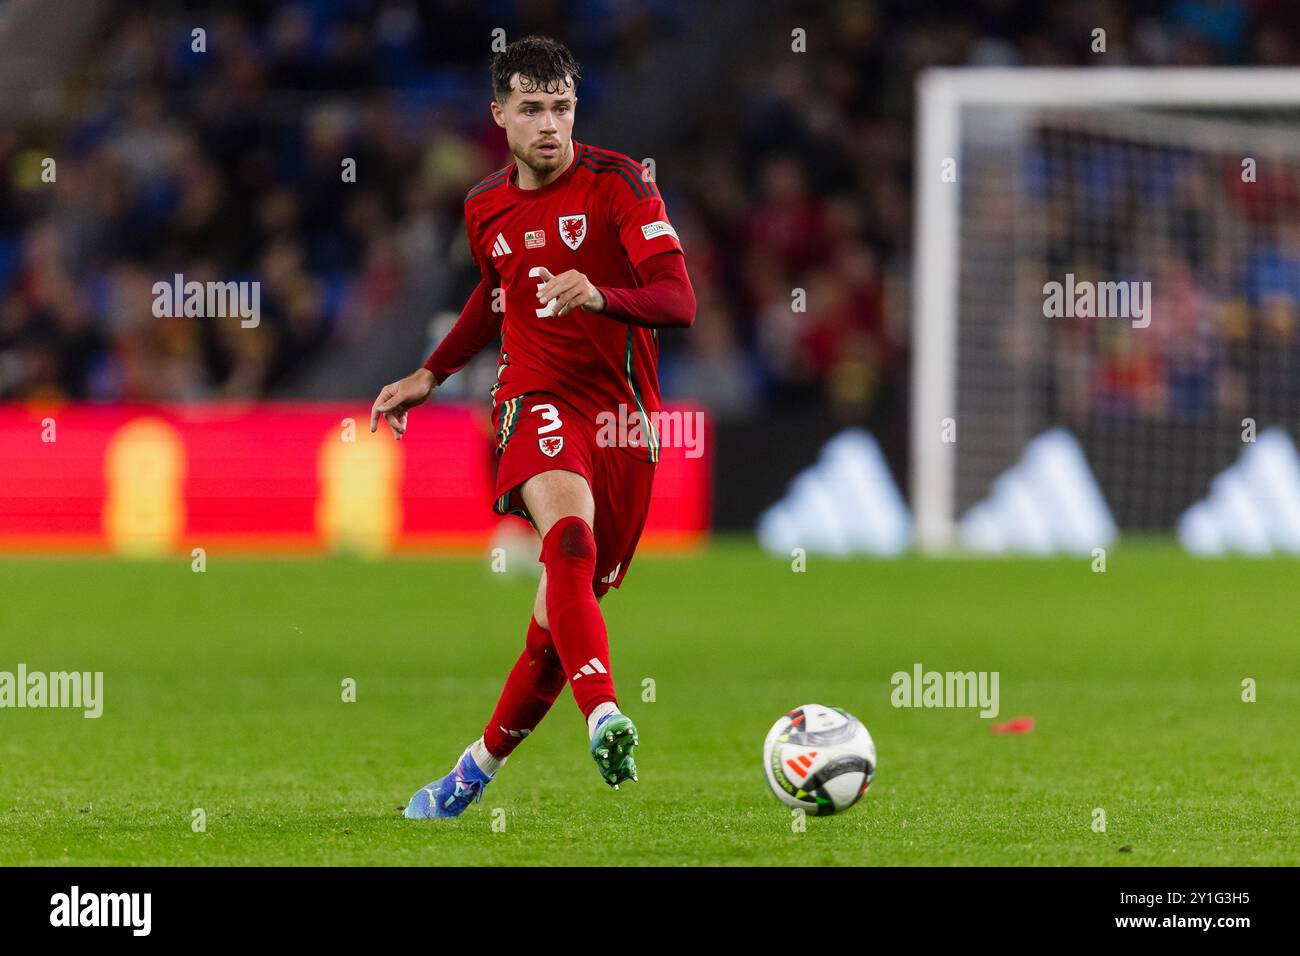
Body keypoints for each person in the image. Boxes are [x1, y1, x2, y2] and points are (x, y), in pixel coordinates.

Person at [369, 35, 695, 818]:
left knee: (553, 636)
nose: (549, 124)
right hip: (535, 397)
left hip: (622, 424)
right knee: (568, 542)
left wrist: (601, 295)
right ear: (499, 115)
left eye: (561, 107)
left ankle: (470, 772)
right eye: (532, 109)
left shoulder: (622, 185)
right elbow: (496, 295)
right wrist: (430, 374)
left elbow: (678, 301)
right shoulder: (484, 205)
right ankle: (605, 713)